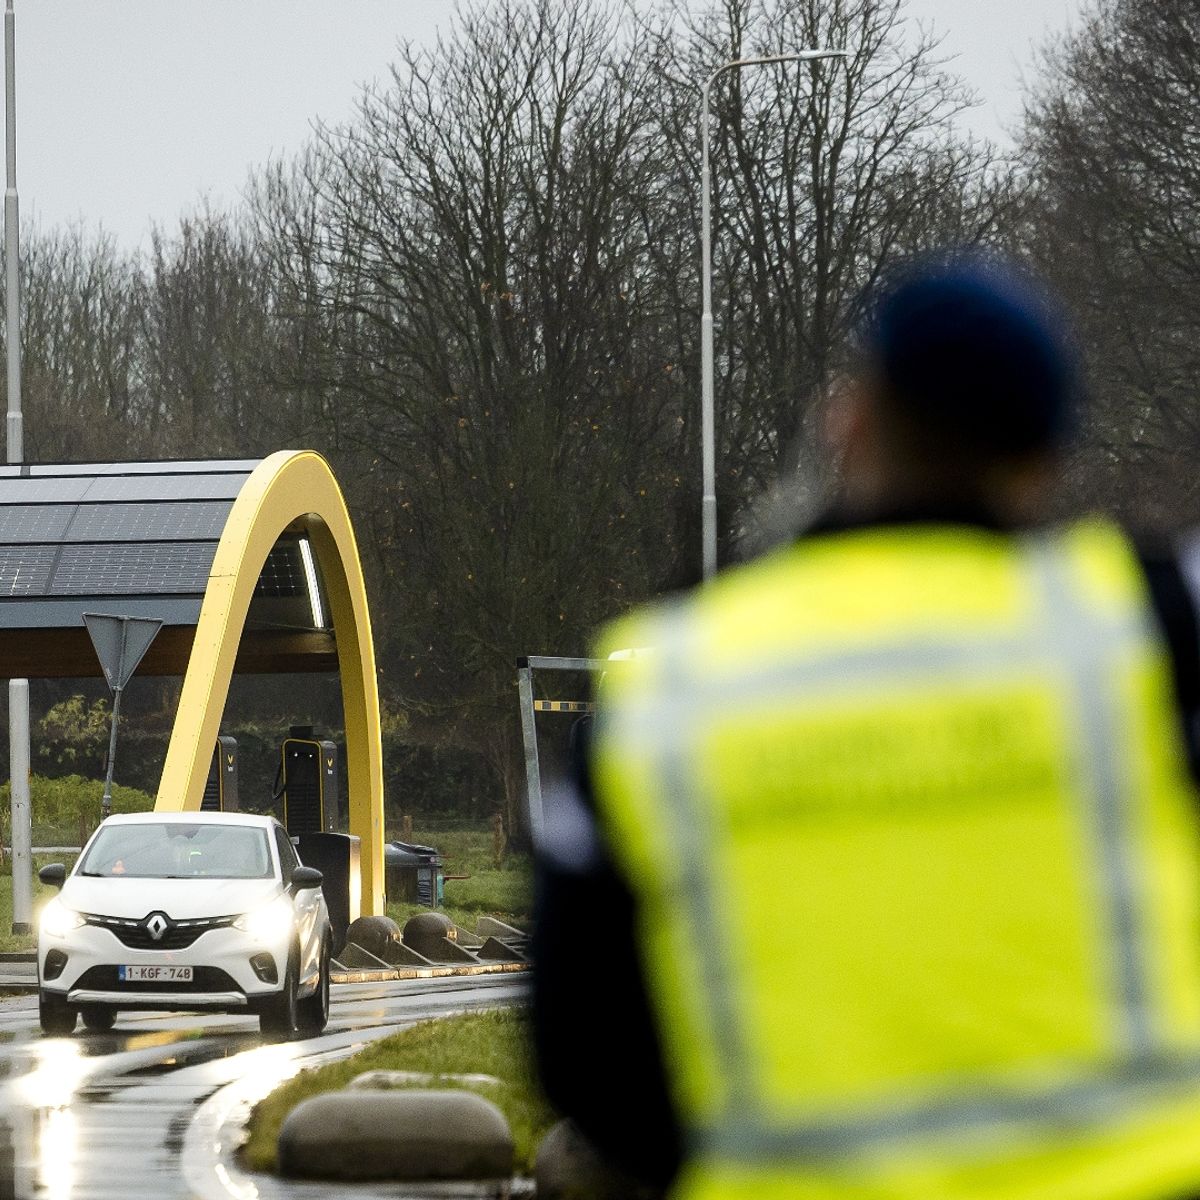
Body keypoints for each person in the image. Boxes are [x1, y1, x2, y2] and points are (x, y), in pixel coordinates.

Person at [533, 253, 1200, 1200]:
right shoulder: (1147, 630)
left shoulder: (669, 688)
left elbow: (580, 1050)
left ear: (847, 420)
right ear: (1045, 459)